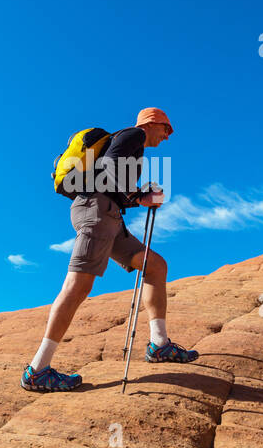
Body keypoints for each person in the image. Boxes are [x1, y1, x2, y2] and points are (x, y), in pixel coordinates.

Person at [22, 107, 199, 392]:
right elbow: (110, 168)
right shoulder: (133, 135)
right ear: (151, 123)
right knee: (77, 286)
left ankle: (159, 344)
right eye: (167, 128)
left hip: (109, 216)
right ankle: (38, 370)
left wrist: (139, 196)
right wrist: (139, 196)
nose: (168, 136)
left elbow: (110, 180)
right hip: (97, 211)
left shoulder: (131, 144)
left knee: (155, 266)